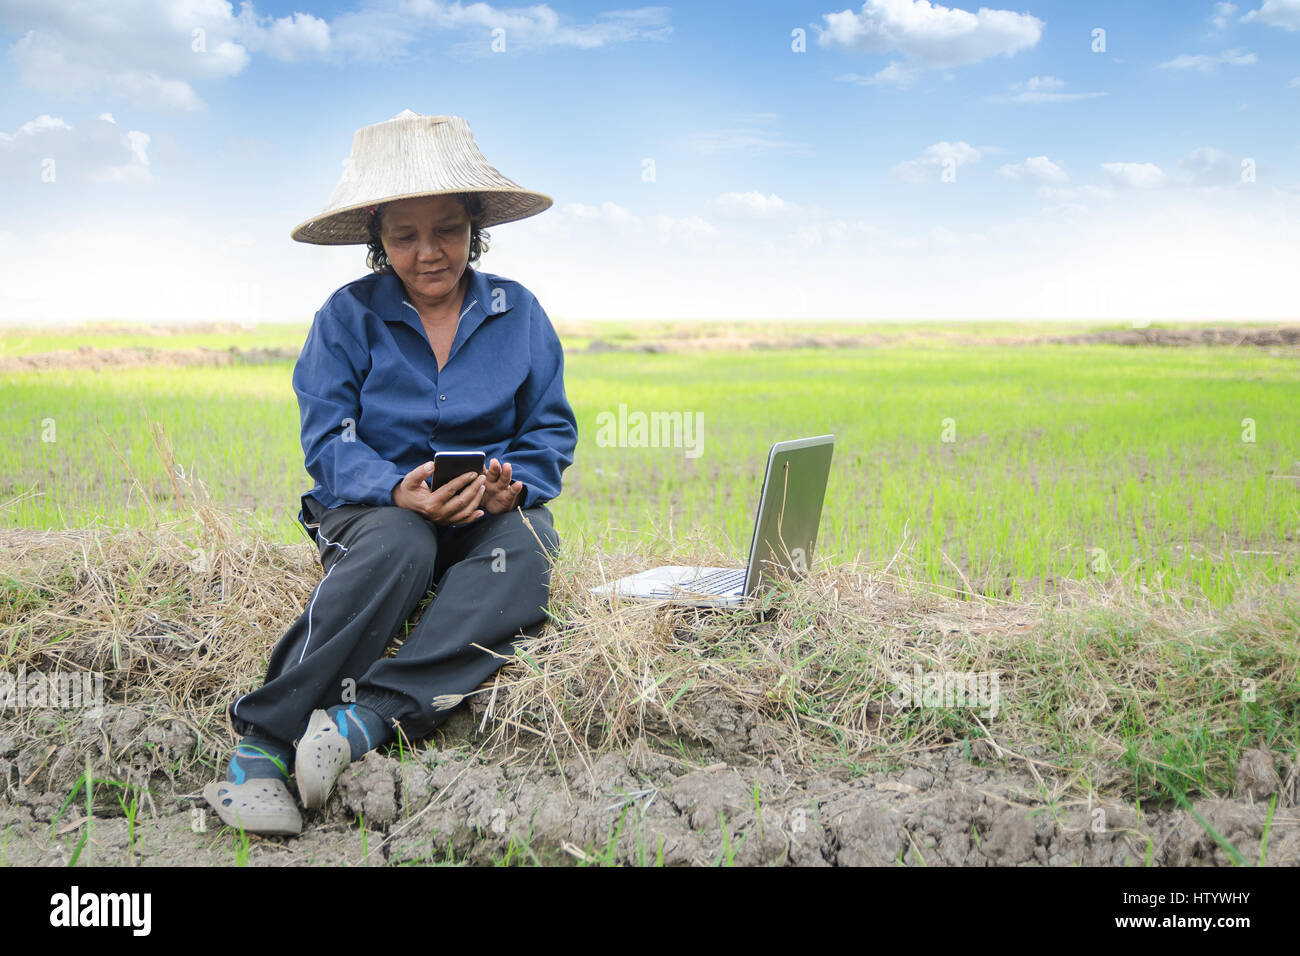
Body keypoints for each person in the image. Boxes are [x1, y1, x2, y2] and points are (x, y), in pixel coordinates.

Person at [203, 110, 577, 836]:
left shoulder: (519, 312)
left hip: (482, 515)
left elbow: (550, 429)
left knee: (528, 548)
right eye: (404, 235)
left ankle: (364, 719)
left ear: (476, 224)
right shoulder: (345, 318)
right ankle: (262, 747)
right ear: (377, 237)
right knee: (402, 541)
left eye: (447, 229)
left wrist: (514, 484)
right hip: (373, 511)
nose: (429, 252)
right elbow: (328, 441)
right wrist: (392, 487)